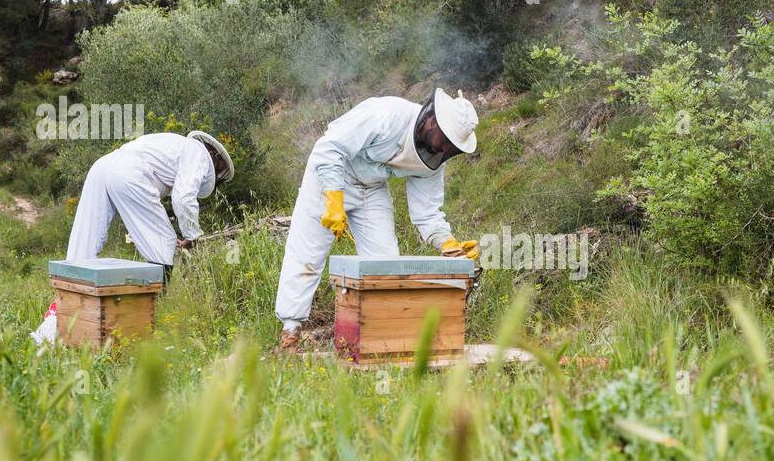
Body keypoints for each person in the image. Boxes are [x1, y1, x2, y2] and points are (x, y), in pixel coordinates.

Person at [275, 88, 480, 348]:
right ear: (431, 120)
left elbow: (427, 212)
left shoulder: (433, 156)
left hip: (371, 188)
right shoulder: (387, 115)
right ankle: (290, 332)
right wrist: (334, 199)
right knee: (308, 253)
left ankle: (377, 338)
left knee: (384, 263)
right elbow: (328, 148)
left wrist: (448, 244)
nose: (445, 148)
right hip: (329, 175)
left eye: (451, 146)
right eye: (445, 140)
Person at [66, 130, 234, 276]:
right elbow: (183, 198)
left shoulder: (176, 145)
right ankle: (155, 303)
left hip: (102, 166)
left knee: (84, 240)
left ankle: (65, 301)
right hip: (130, 171)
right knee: (163, 241)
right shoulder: (199, 156)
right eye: (220, 167)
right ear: (213, 156)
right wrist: (193, 235)